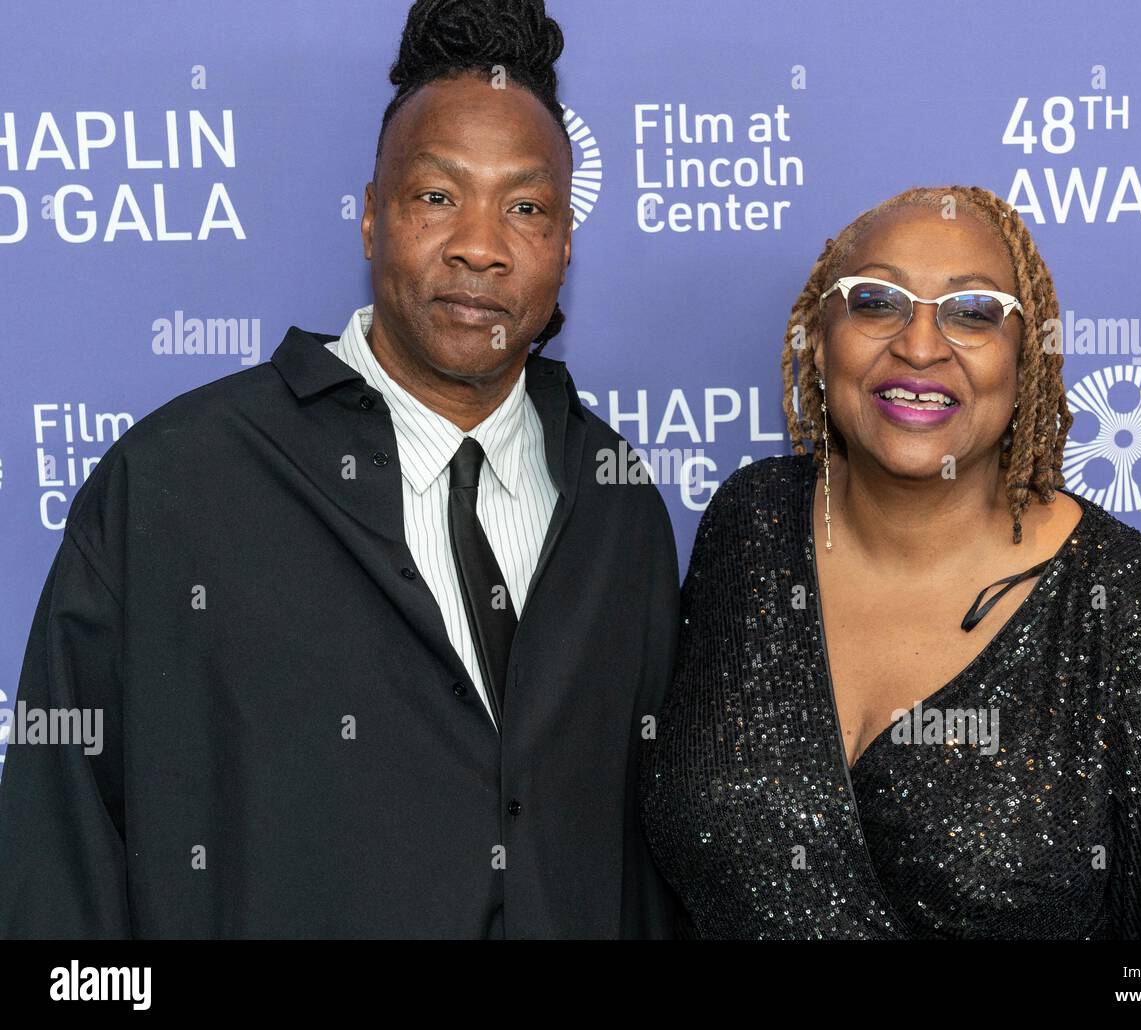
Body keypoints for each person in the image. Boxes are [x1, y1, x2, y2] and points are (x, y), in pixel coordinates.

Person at [0, 0, 680, 939]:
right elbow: (59, 847)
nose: (479, 245)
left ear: (564, 246)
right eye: (437, 196)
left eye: (524, 208)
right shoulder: (177, 482)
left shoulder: (617, 500)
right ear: (370, 219)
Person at [640, 185, 1141, 939]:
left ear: (1026, 358)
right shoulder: (750, 526)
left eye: (972, 313)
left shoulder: (1129, 611)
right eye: (876, 301)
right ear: (819, 337)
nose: (920, 346)